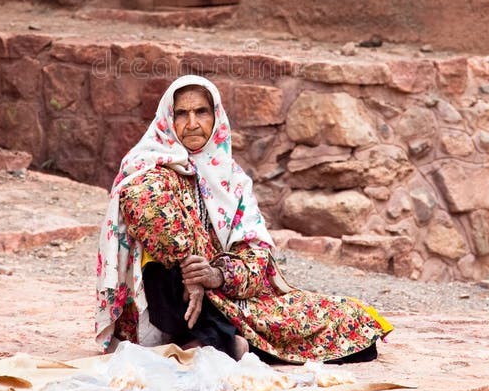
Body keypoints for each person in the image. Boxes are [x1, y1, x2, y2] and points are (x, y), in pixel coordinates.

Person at [96, 75, 392, 363]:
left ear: (216, 117)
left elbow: (258, 254)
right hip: (173, 296)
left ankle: (221, 342)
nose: (192, 123)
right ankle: (217, 340)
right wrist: (189, 266)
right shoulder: (149, 163)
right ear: (168, 119)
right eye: (182, 114)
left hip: (225, 292)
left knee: (349, 321)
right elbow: (143, 205)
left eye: (201, 112)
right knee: (164, 268)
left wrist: (216, 275)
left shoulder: (233, 180)